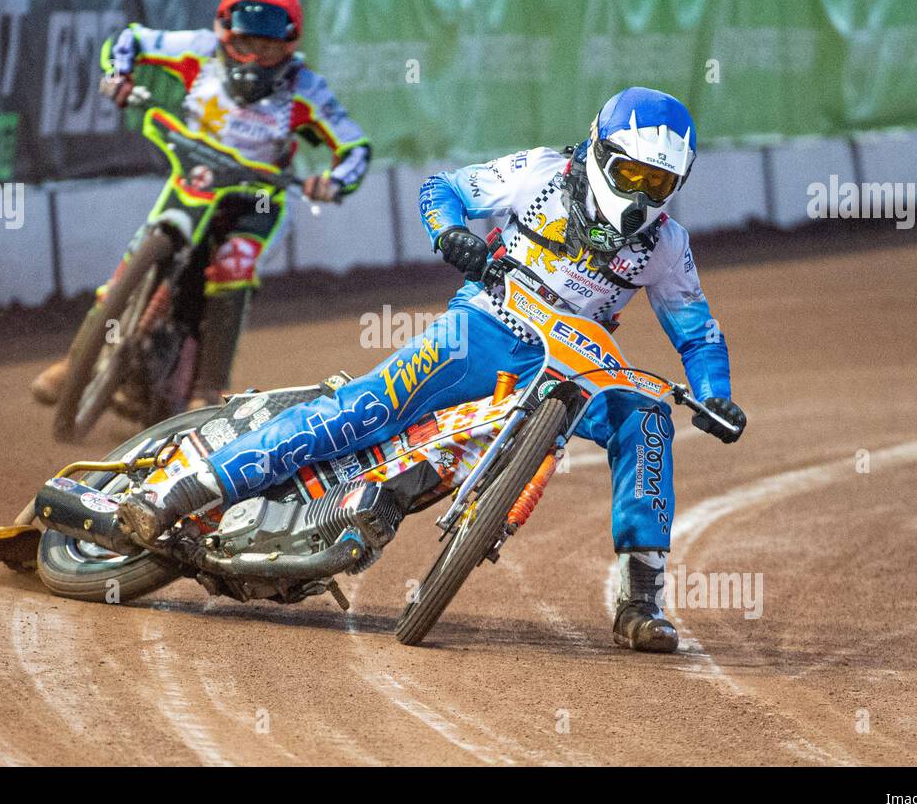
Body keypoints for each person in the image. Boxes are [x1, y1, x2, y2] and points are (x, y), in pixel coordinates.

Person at [113, 86, 746, 653]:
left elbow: (697, 331)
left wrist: (717, 394)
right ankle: (179, 491)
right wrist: (451, 234)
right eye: (630, 172)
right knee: (361, 413)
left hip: (576, 367)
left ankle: (641, 603)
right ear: (599, 153)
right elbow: (439, 190)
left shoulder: (667, 247)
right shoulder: (539, 174)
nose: (639, 196)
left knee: (648, 420)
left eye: (657, 185)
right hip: (485, 328)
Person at [31, 0, 370, 410]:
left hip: (256, 200)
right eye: (245, 42)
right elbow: (130, 39)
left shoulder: (306, 87)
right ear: (225, 30)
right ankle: (79, 359)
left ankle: (206, 390)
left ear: (289, 43)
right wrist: (119, 76)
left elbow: (354, 146)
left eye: (266, 48)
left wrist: (334, 181)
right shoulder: (197, 48)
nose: (252, 57)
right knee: (138, 253)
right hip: (194, 180)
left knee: (233, 266)